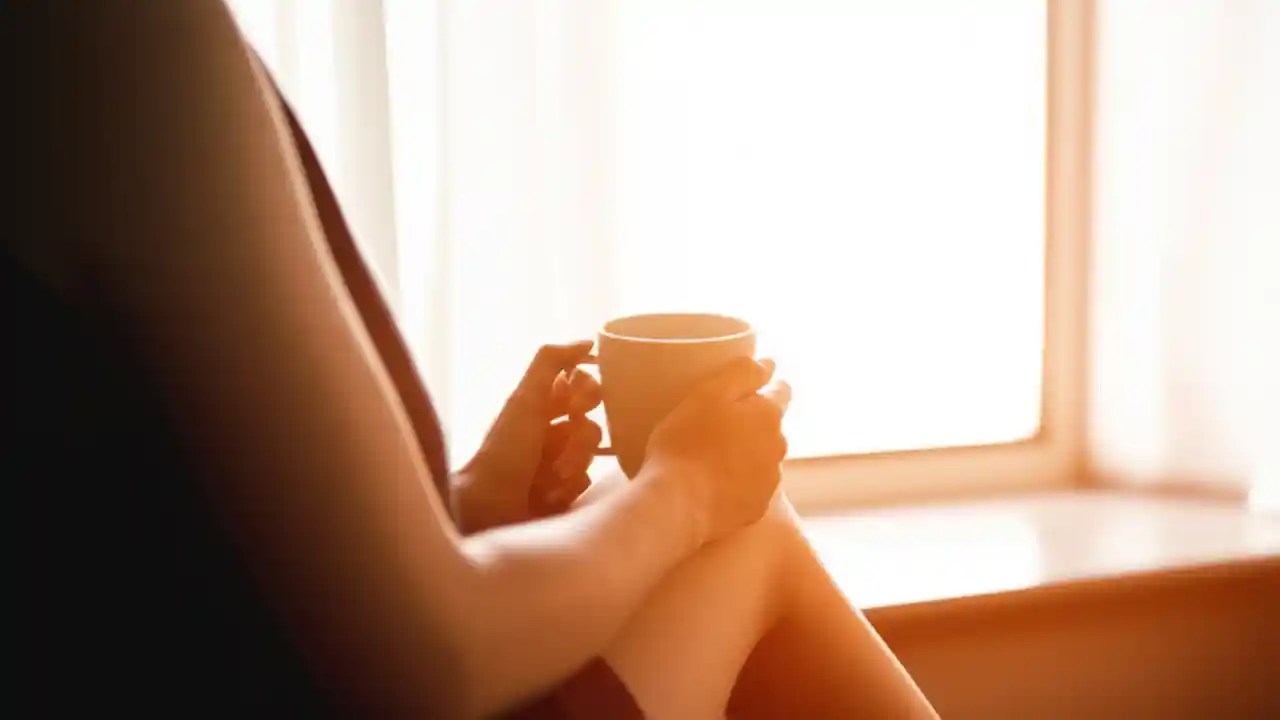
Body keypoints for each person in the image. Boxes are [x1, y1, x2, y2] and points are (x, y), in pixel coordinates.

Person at [5, 2, 937, 717]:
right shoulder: (118, 39)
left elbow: (126, 545)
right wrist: (687, 491)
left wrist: (461, 508)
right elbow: (432, 665)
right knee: (743, 528)